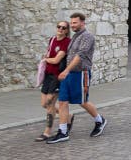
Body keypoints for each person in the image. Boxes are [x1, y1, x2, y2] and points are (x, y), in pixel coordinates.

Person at [46, 12, 107, 143]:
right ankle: (63, 132)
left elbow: (80, 56)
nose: (72, 25)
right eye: (71, 22)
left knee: (82, 101)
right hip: (68, 75)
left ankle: (100, 120)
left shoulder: (87, 37)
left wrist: (66, 70)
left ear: (82, 23)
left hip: (80, 73)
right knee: (62, 101)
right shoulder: (74, 37)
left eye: (75, 22)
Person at [35, 21, 70, 141]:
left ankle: (47, 132)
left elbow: (56, 60)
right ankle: (67, 116)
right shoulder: (52, 39)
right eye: (59, 26)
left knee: (50, 103)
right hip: (48, 75)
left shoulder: (66, 42)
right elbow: (49, 55)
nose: (60, 29)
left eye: (63, 28)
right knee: (44, 104)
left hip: (57, 77)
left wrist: (46, 59)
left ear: (66, 30)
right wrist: (46, 59)